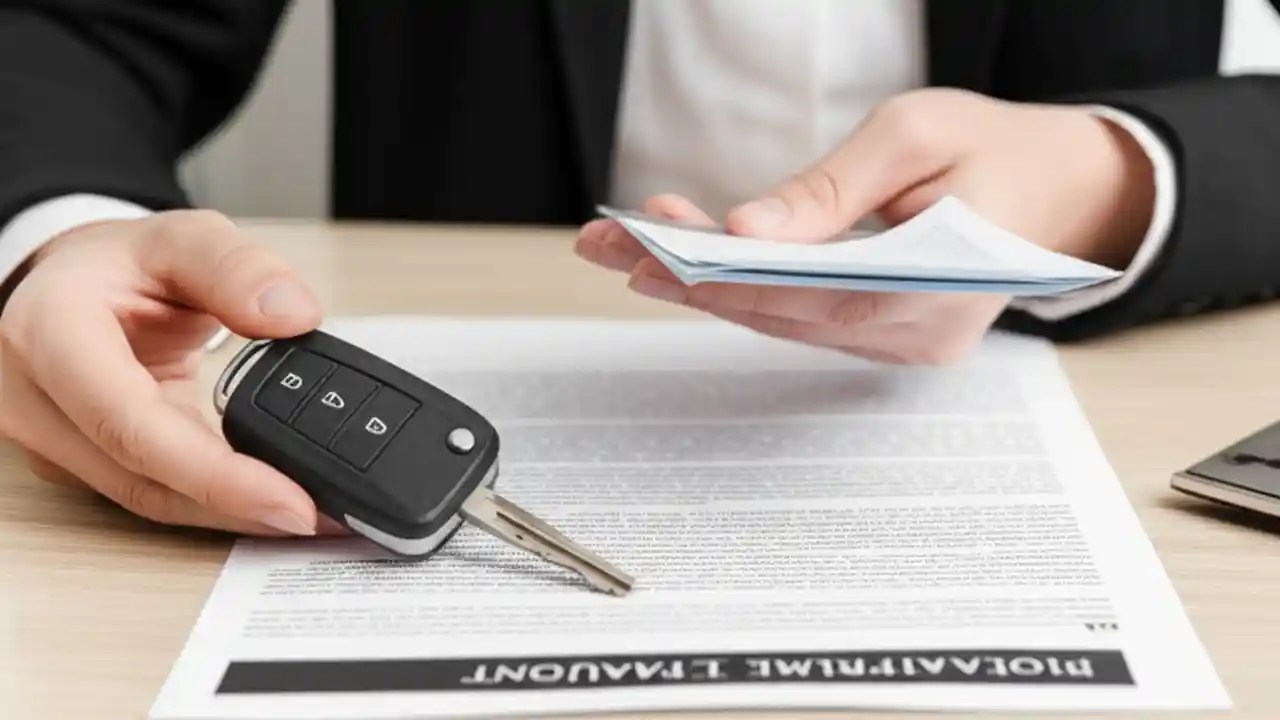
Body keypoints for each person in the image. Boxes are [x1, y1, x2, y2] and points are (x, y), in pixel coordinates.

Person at [1, 1, 1277, 537]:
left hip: (1099, 390)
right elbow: (69, 26)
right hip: (465, 338)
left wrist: (1119, 177)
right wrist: (54, 229)